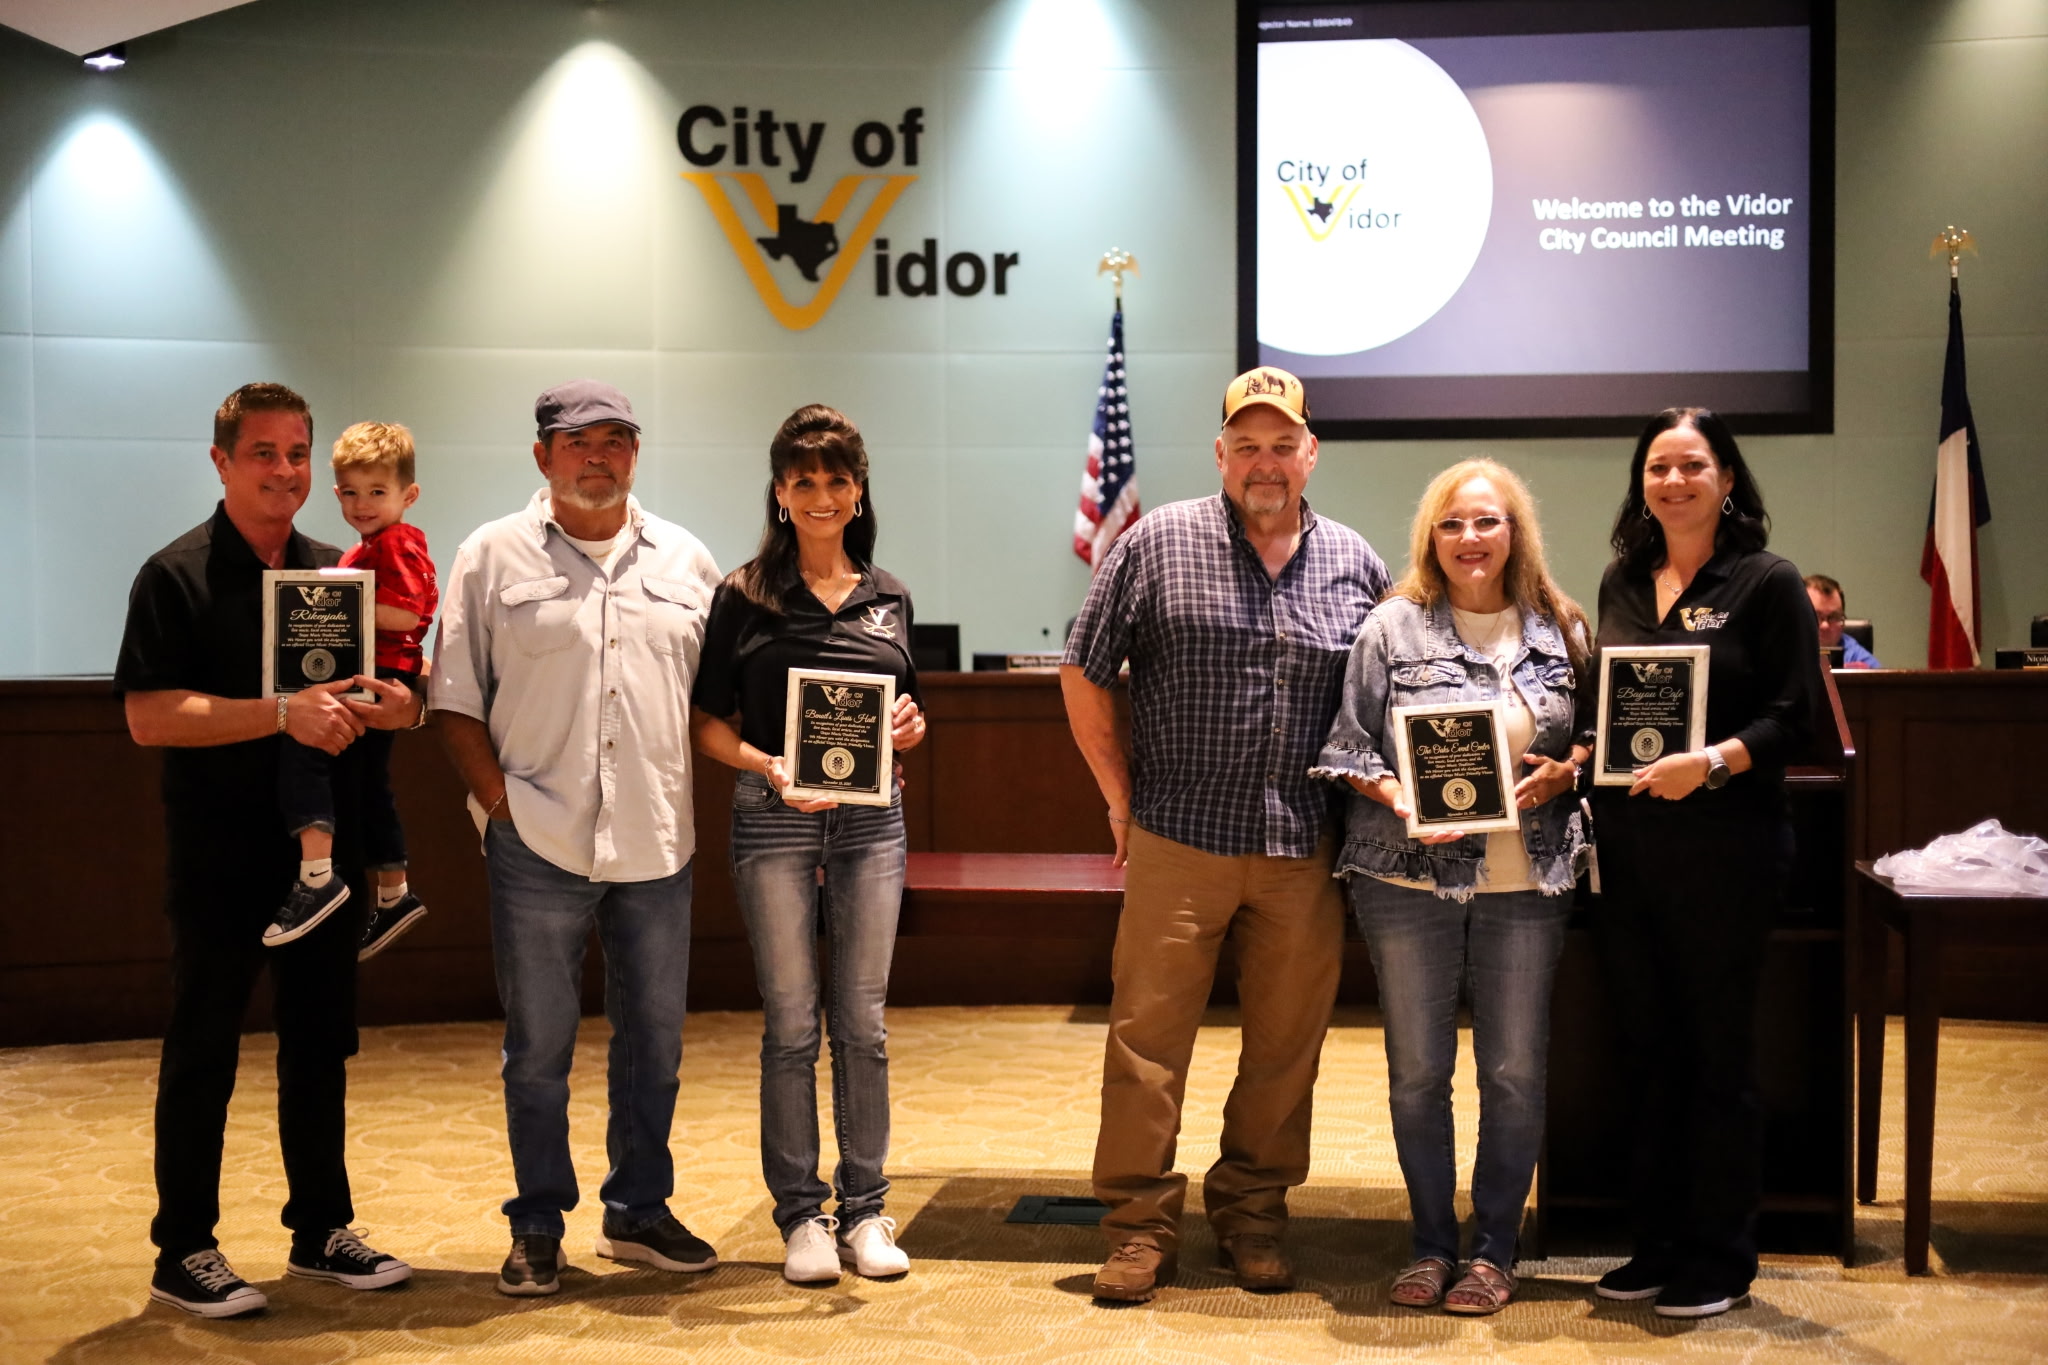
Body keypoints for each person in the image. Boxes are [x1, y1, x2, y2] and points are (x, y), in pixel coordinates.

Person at [1061, 367, 1389, 1303]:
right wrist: (1117, 796)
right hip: (1178, 839)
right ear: (1219, 454)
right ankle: (1136, 1227)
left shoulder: (1357, 563)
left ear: (1310, 453)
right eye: (1246, 444)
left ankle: (1253, 1213)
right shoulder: (1157, 542)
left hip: (1303, 851)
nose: (1265, 461)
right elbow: (1083, 671)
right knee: (1146, 1044)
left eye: (1282, 443)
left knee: (1286, 1048)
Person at [116, 382, 417, 1318]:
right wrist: (279, 713)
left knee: (319, 1044)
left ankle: (322, 1228)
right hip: (218, 855)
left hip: (322, 868)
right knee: (203, 1044)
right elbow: (147, 716)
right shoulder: (175, 573)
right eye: (263, 453)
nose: (284, 471)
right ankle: (185, 1249)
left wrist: (399, 705)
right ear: (222, 461)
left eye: (298, 454)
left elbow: (394, 693)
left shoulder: (340, 574)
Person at [432, 380, 724, 1297]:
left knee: (656, 1042)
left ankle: (638, 1209)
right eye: (577, 440)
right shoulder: (489, 554)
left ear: (636, 452)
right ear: (543, 455)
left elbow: (723, 702)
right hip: (538, 843)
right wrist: (497, 807)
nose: (597, 454)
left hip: (656, 841)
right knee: (539, 1047)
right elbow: (453, 700)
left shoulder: (687, 559)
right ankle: (536, 1220)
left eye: (616, 439)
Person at [1313, 459, 1590, 1315]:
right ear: (1431, 537)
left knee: (1512, 1069)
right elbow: (1345, 749)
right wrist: (1401, 798)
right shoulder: (1391, 628)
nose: (1470, 538)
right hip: (1406, 875)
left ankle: (1495, 1250)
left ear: (1516, 531)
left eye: (1487, 521)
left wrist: (1566, 769)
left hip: (1528, 878)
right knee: (1417, 1072)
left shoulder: (1562, 626)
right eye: (1452, 524)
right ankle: (1432, 1244)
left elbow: (1598, 744)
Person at [1586, 407, 1816, 1319]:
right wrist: (1580, 754)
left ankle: (1720, 1257)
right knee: (1647, 1051)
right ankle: (1658, 1242)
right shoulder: (1620, 580)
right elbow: (1608, 704)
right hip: (1632, 854)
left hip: (1729, 853)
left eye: (1691, 465)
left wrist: (1710, 762)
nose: (1672, 482)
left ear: (1727, 479)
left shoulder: (1768, 581)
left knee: (1718, 1054)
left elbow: (1795, 717)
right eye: (1656, 467)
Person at [690, 405, 927, 1285]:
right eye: (803, 480)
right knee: (792, 1023)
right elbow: (706, 724)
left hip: (872, 823)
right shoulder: (744, 594)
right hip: (773, 814)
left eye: (836, 479)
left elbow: (906, 712)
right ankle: (802, 1216)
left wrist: (907, 727)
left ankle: (866, 1208)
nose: (820, 495)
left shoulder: (889, 595)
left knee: (861, 1024)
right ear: (780, 493)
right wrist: (770, 764)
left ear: (858, 489)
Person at [267, 421, 438, 959]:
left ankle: (317, 876)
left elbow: (408, 610)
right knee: (366, 785)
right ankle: (394, 893)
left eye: (378, 492)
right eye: (350, 492)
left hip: (377, 678)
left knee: (305, 747)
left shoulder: (396, 542)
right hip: (376, 675)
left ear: (408, 495)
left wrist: (340, 600)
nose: (362, 504)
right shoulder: (370, 545)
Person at [1804, 573, 1880, 667]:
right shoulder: (1782, 649)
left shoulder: (1858, 658)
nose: (1825, 626)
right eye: (1815, 616)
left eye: (1833, 617)